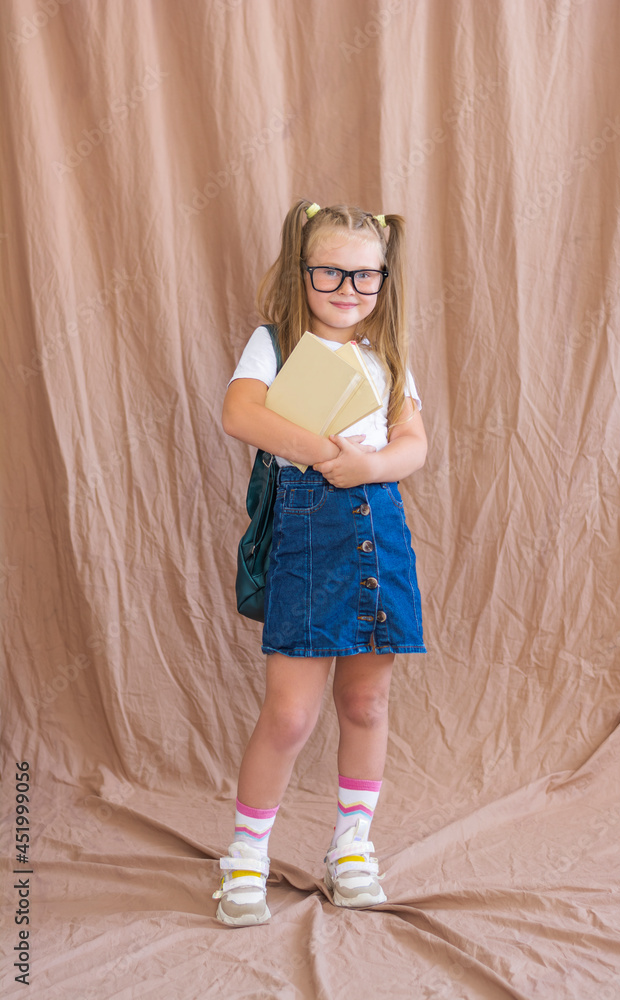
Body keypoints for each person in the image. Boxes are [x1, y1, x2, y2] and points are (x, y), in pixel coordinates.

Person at [214, 199, 428, 927]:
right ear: (303, 270)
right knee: (289, 714)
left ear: (383, 279)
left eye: (364, 276)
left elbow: (413, 447)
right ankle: (245, 858)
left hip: (378, 531)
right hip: (307, 536)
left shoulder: (387, 354)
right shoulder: (274, 343)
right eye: (330, 271)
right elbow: (241, 414)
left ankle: (352, 847)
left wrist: (367, 465)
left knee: (366, 703)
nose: (346, 288)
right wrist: (326, 454)